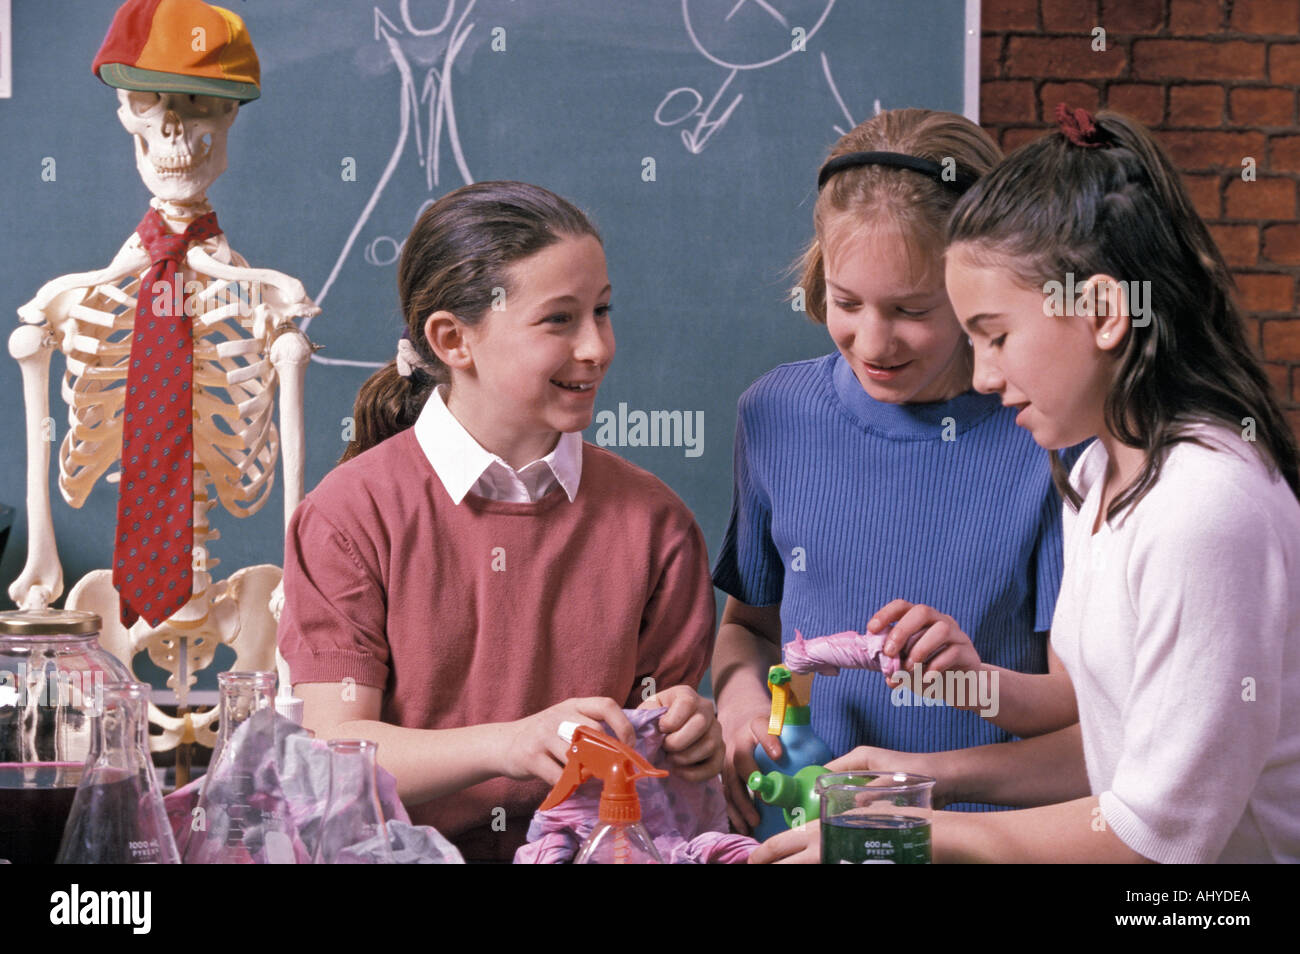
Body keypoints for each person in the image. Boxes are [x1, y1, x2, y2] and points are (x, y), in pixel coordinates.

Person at [758, 106, 1300, 863]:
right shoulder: (1096, 471)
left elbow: (1161, 837)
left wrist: (915, 832)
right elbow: (1106, 742)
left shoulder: (1205, 509)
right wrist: (926, 769)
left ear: (1105, 312)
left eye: (996, 335)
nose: (982, 375)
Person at [277, 181, 722, 862]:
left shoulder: (657, 525)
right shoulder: (348, 516)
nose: (597, 347)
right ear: (454, 339)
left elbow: (661, 772)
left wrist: (690, 735)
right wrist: (508, 744)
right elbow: (337, 752)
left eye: (602, 312)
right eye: (559, 321)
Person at [712, 108, 1084, 837]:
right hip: (802, 836)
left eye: (912, 309)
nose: (873, 341)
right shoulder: (773, 414)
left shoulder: (1045, 438)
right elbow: (749, 626)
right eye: (848, 303)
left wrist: (973, 682)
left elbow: (1083, 711)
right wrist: (740, 705)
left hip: (983, 842)